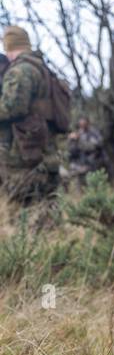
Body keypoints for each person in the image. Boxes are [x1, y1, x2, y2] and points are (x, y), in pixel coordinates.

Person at [0, 25, 63, 224]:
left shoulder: (20, 71)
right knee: (45, 208)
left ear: (9, 45)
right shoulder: (42, 69)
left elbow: (12, 108)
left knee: (20, 208)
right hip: (44, 148)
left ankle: (26, 252)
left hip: (23, 153)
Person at [66, 116, 107, 189]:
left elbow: (93, 147)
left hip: (94, 162)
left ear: (87, 124)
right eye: (80, 124)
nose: (82, 126)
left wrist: (79, 140)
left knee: (93, 184)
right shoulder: (78, 133)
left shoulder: (94, 133)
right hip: (80, 162)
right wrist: (71, 140)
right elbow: (72, 150)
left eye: (84, 124)